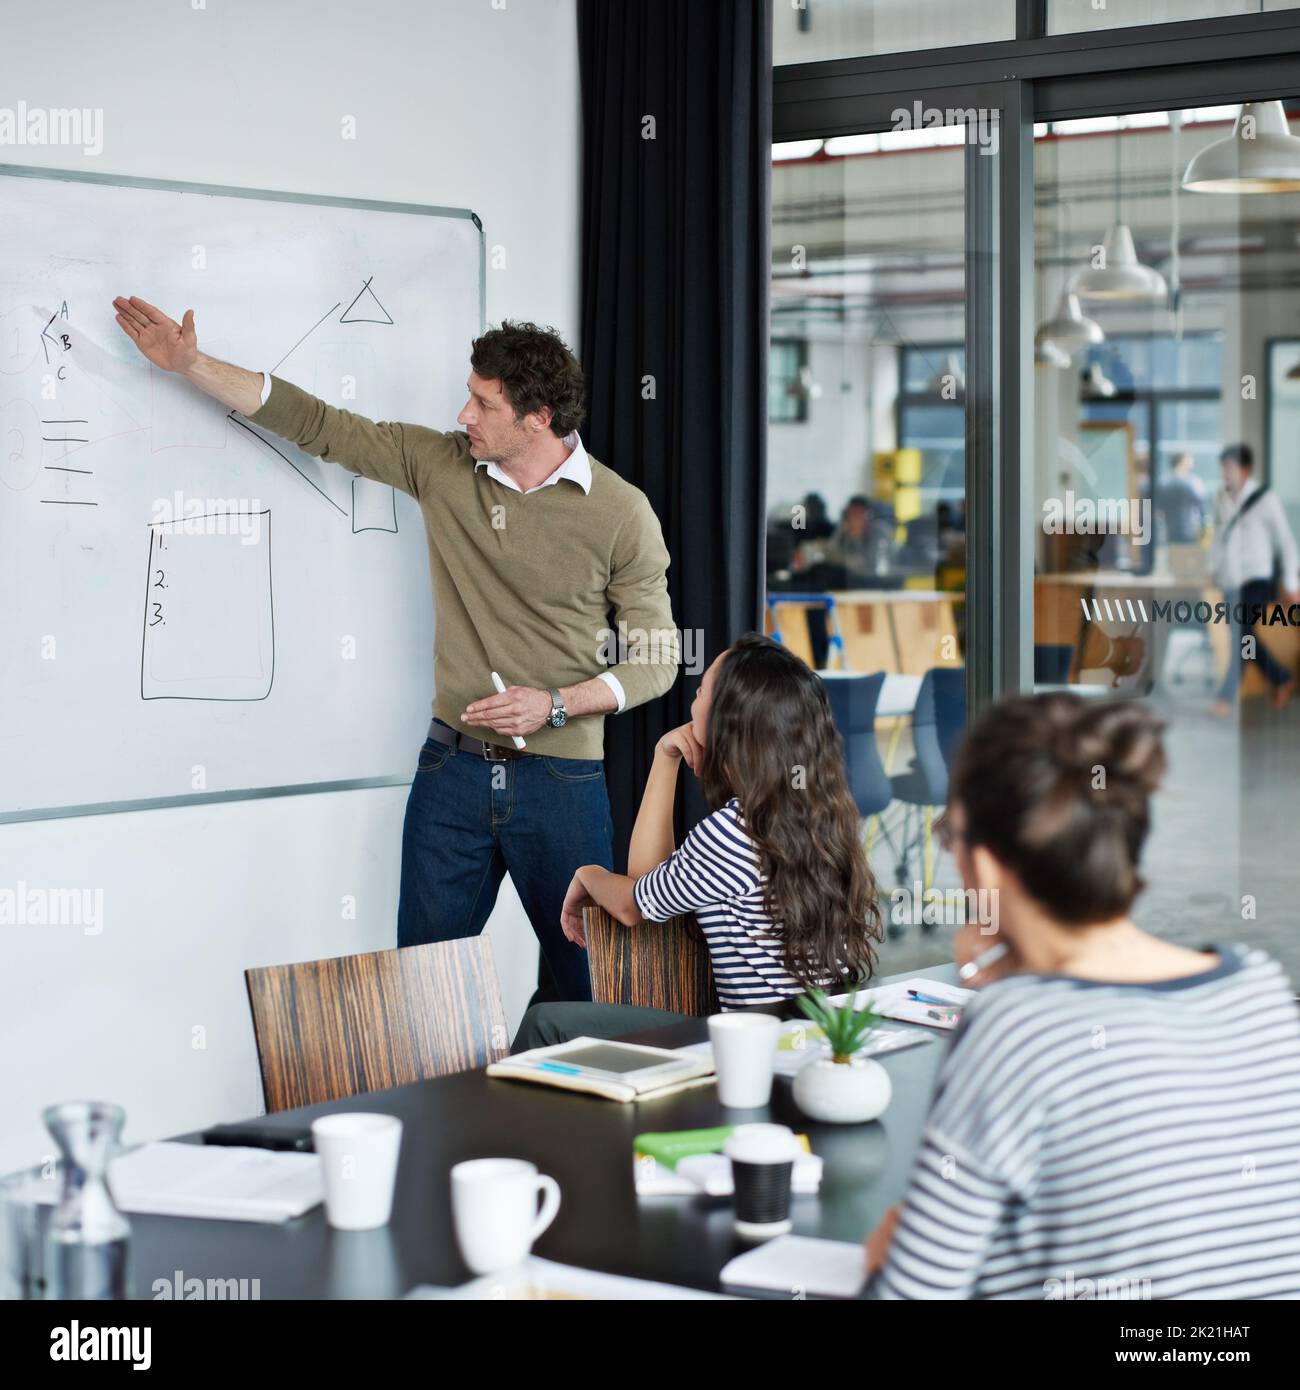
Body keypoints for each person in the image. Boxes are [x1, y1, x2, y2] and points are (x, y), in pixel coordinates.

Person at [112, 299, 678, 1004]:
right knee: (420, 998)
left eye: (482, 403)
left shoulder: (621, 513)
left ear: (538, 420)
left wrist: (557, 704)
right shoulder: (442, 464)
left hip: (561, 783)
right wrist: (191, 363)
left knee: (590, 990)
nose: (463, 415)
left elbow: (656, 659)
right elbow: (319, 425)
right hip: (452, 771)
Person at [863, 692, 1300, 1300]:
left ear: (984, 871)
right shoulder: (1259, 987)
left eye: (952, 841)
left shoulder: (1015, 1027)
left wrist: (888, 1258)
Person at [511, 634, 882, 1050]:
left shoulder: (733, 832)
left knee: (545, 1021)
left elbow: (633, 904)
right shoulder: (823, 816)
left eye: (703, 690)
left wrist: (588, 874)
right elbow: (651, 885)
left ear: (729, 720)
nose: (693, 698)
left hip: (752, 1048)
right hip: (811, 1036)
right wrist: (666, 755)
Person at [1209, 443, 1299, 716]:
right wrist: (1212, 569)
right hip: (1231, 580)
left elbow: (1286, 542)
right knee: (1246, 638)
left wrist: (1292, 585)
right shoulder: (1221, 499)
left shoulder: (1264, 499)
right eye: (1223, 468)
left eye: (1230, 468)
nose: (1225, 473)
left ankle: (1225, 699)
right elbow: (1218, 540)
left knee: (1242, 636)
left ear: (1245, 469)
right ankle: (1282, 678)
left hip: (1256, 580)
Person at [1154, 450, 1205, 544]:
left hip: (1172, 530)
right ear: (1183, 461)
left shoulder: (1163, 482)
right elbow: (1200, 506)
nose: (1192, 462)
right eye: (1189, 459)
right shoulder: (1193, 483)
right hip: (1187, 530)